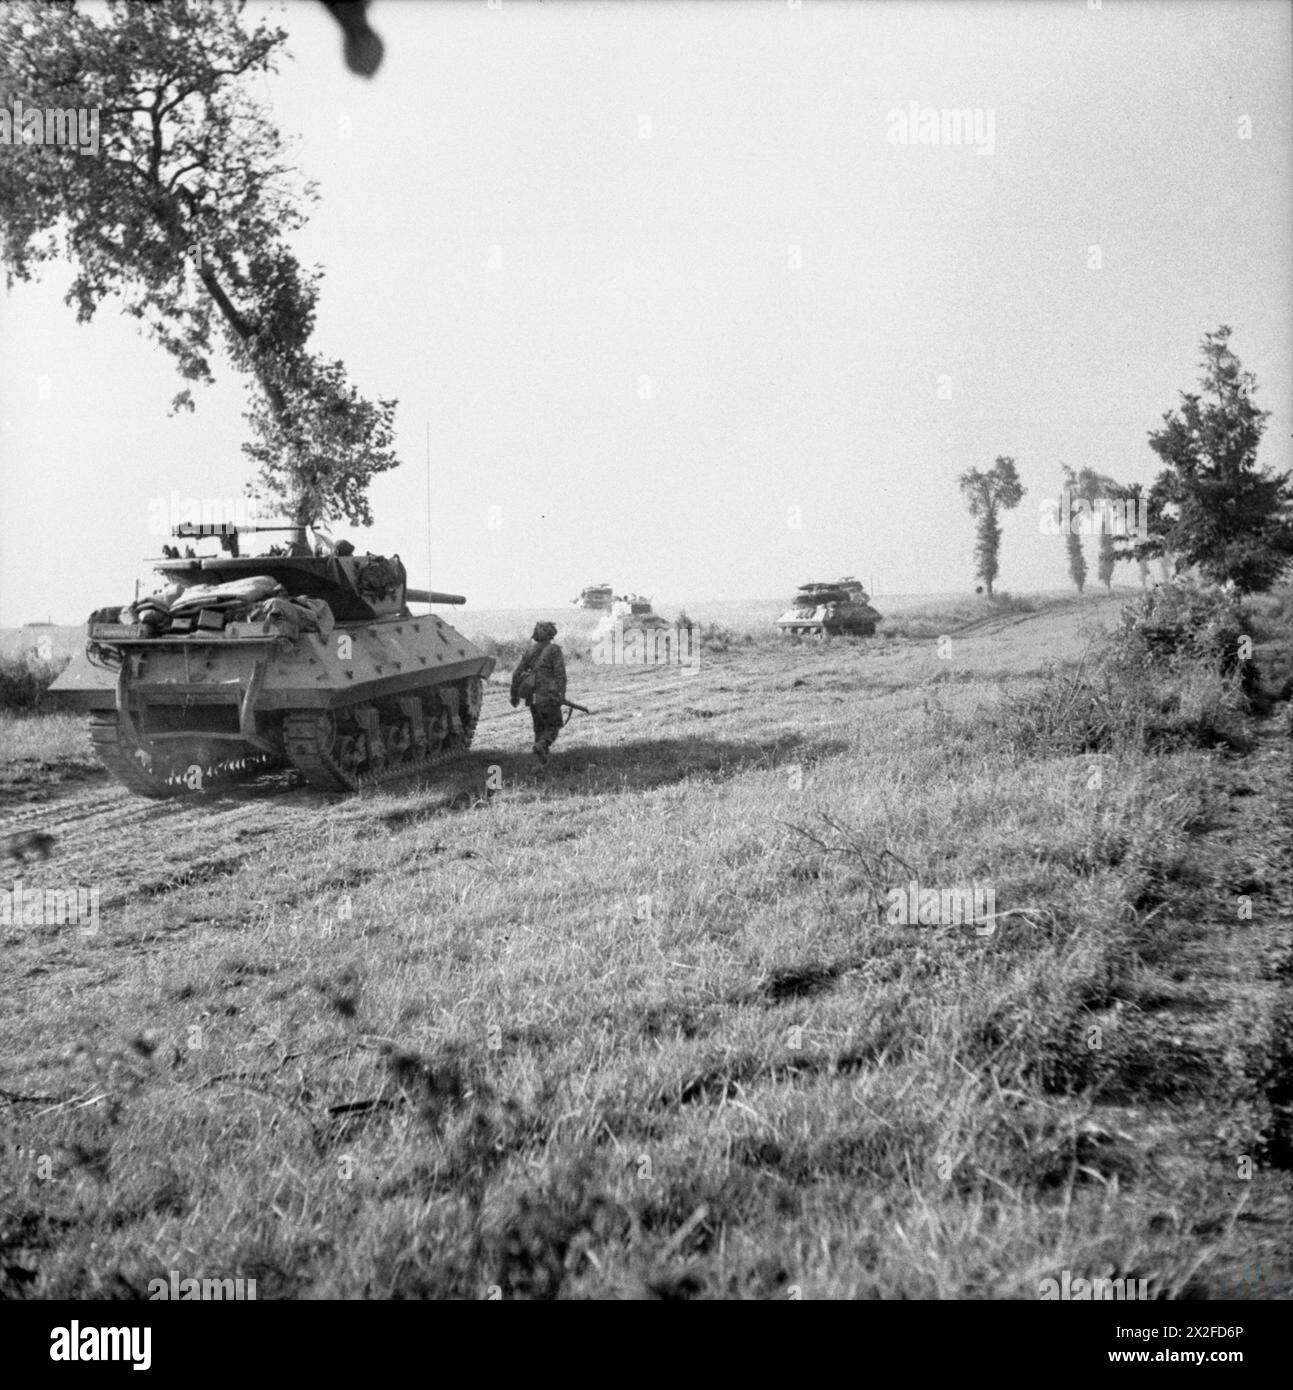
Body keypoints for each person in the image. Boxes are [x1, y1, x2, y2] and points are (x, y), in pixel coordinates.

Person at [511, 621, 566, 762]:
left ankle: (540, 762)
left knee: (539, 728)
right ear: (551, 634)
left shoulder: (530, 651)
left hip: (532, 697)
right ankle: (542, 746)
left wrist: (514, 695)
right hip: (548, 695)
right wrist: (561, 694)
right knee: (553, 725)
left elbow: (517, 674)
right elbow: (560, 674)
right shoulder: (554, 650)